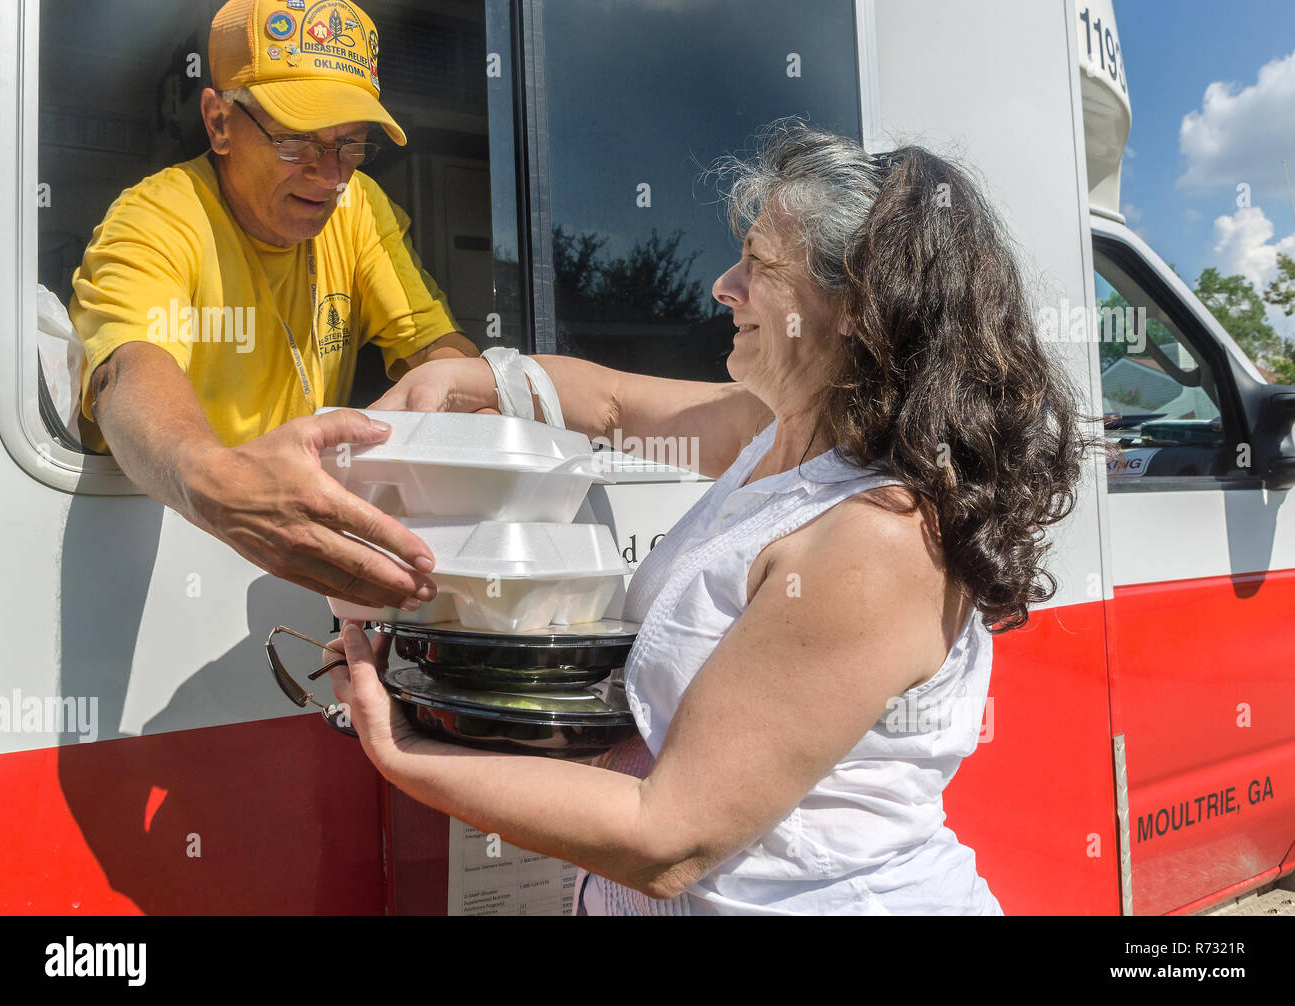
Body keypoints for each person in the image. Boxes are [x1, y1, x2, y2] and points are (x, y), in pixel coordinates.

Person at [326, 120, 1097, 914]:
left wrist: (402, 746)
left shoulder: (874, 537)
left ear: (858, 306)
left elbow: (669, 840)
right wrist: (465, 380)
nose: (722, 286)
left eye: (758, 265)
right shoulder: (775, 428)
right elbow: (614, 403)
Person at [71, 0, 481, 613]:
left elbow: (440, 353)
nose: (329, 174)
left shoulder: (357, 206)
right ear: (218, 122)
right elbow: (127, 371)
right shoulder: (157, 217)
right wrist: (220, 484)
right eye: (295, 141)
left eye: (350, 143)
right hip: (178, 556)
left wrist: (454, 401)